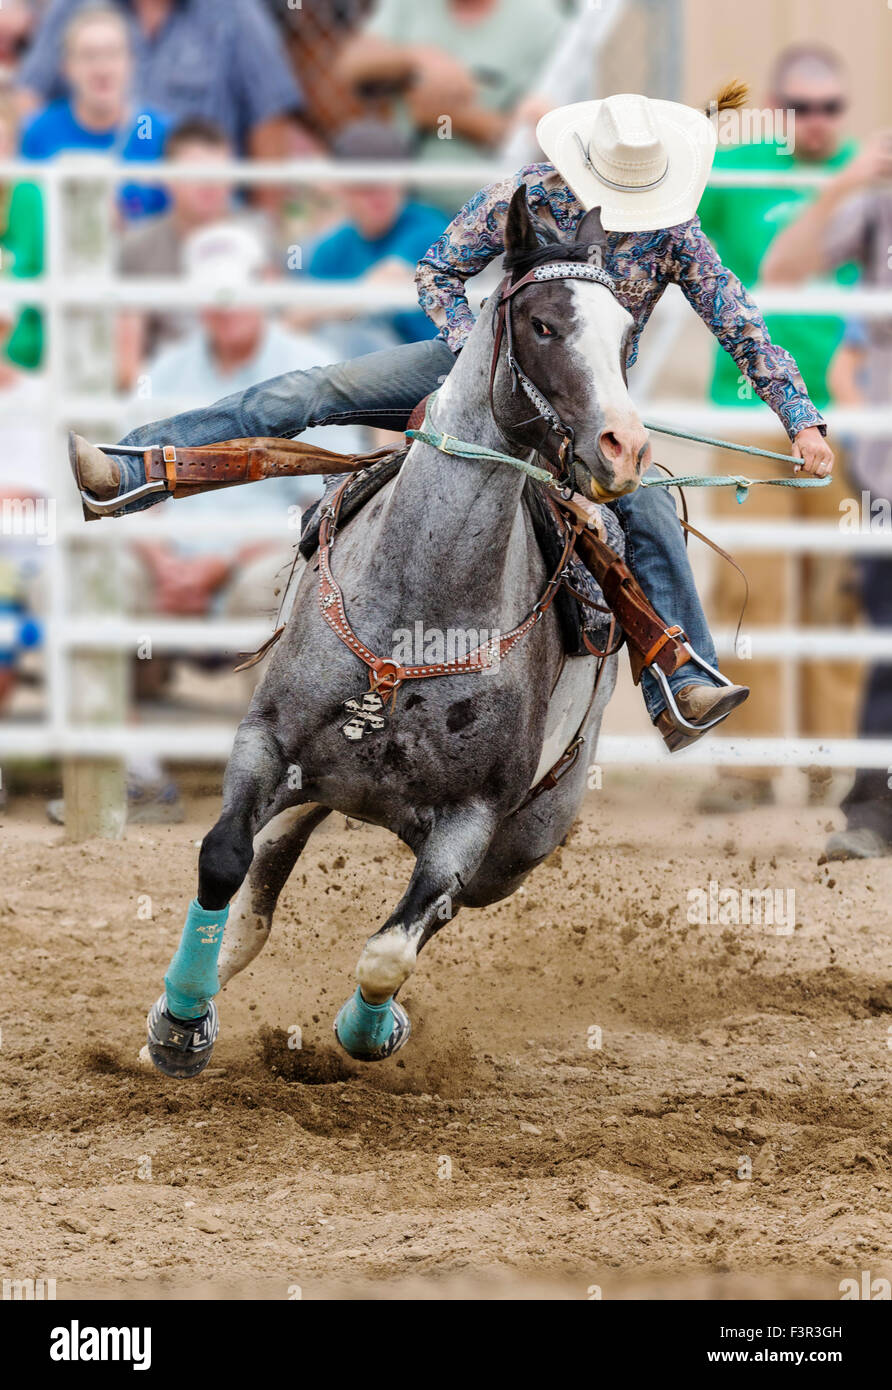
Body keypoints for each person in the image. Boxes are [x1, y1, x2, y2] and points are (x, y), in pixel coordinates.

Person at [70, 89, 836, 752]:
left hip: (582, 410)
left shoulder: (677, 232)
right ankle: (137, 467)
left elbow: (745, 330)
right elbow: (438, 269)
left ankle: (680, 675)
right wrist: (478, 356)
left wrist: (802, 422)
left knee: (653, 510)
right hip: (479, 370)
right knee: (308, 391)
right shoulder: (528, 193)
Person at [696, 43, 863, 814]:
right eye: (801, 107)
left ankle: (840, 765)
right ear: (776, 105)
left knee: (841, 598)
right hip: (748, 417)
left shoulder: (869, 171)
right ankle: (750, 772)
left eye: (832, 107)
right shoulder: (738, 173)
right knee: (749, 593)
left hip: (854, 422)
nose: (819, 122)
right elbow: (663, 231)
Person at [761, 132, 892, 859]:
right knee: (886, 638)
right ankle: (874, 812)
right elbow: (782, 270)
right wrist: (844, 183)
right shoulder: (874, 207)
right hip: (886, 466)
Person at [335, 0, 566, 213]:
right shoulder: (407, 6)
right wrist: (416, 59)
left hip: (495, 212)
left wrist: (451, 116)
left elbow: (545, 139)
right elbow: (351, 65)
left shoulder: (543, 22)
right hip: (407, 205)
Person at [17, 0, 303, 157]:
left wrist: (265, 223)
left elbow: (270, 114)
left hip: (194, 200)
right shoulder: (75, 7)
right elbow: (29, 95)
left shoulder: (234, 13)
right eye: (90, 55)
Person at [116, 116, 273, 382]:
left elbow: (279, 332)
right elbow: (126, 361)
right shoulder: (138, 247)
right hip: (169, 393)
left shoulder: (259, 236)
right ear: (168, 177)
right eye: (196, 173)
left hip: (251, 387)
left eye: (219, 172)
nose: (209, 183)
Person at [303, 120, 445, 357]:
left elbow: (385, 283)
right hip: (359, 372)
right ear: (340, 187)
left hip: (431, 371)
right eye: (365, 184)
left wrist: (324, 309)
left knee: (350, 331)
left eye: (389, 181)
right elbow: (296, 318)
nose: (379, 194)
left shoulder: (428, 226)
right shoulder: (330, 248)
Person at [20, 4, 169, 221]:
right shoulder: (39, 132)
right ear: (66, 68)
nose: (102, 68)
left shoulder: (155, 132)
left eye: (112, 53)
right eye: (88, 56)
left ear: (131, 63)